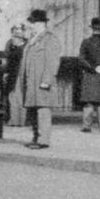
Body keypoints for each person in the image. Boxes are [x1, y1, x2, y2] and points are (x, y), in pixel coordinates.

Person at [19, 9, 63, 150]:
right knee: (33, 111)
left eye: (32, 22)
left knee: (43, 111)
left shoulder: (50, 39)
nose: (30, 25)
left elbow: (52, 62)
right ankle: (36, 138)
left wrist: (47, 80)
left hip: (42, 82)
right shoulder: (32, 40)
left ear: (41, 23)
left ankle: (44, 140)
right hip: (31, 82)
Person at [76, 17, 100, 133]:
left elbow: (81, 59)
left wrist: (92, 68)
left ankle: (87, 126)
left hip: (90, 75)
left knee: (89, 102)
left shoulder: (86, 42)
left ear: (92, 29)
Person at [2, 24, 29, 128]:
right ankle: (19, 120)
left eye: (15, 38)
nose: (12, 40)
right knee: (17, 98)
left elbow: (10, 63)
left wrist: (6, 72)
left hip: (16, 77)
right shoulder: (21, 47)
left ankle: (16, 120)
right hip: (17, 76)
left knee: (15, 98)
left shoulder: (18, 50)